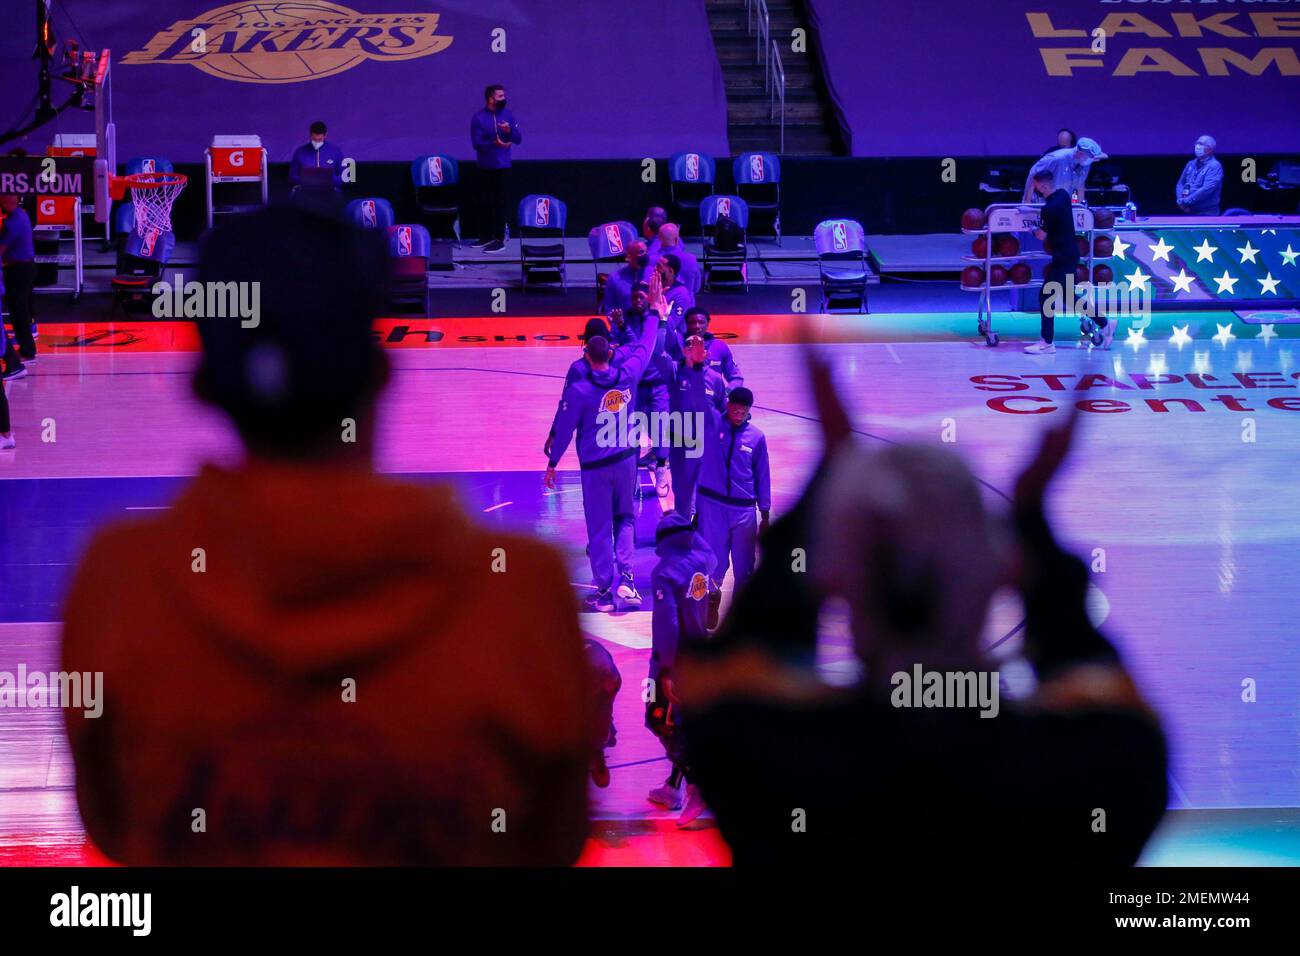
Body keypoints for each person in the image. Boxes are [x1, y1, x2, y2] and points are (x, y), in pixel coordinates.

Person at [62, 204, 595, 865]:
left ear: (206, 386)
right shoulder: (522, 590)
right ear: (381, 374)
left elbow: (111, 824)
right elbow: (554, 839)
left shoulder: (118, 583)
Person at [677, 347, 1168, 866]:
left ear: (834, 580)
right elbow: (1113, 703)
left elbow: (724, 677)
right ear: (1004, 573)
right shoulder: (1093, 774)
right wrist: (1033, 525)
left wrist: (826, 482)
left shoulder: (768, 764)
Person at [546, 291, 663, 610]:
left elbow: (565, 429)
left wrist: (553, 462)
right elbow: (645, 346)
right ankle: (626, 581)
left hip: (595, 468)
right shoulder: (628, 374)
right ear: (611, 352)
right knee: (625, 518)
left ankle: (603, 592)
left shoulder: (579, 389)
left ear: (586, 355)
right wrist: (654, 312)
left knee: (599, 528)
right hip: (626, 461)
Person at [646, 511, 716, 823]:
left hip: (674, 662)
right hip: (701, 656)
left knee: (660, 721)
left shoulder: (664, 573)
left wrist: (665, 671)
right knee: (685, 723)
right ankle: (673, 788)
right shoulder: (705, 559)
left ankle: (697, 788)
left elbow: (668, 626)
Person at [696, 386, 770, 630]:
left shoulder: (757, 438)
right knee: (713, 562)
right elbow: (698, 398)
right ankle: (712, 598)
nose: (738, 410)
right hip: (713, 506)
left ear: (749, 409)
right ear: (727, 404)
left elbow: (762, 475)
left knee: (744, 566)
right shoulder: (711, 426)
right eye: (735, 405)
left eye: (744, 407)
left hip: (743, 511)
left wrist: (765, 512)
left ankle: (739, 616)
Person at [1023, 169, 1110, 354]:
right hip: (1070, 253)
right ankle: (1105, 322)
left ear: (1043, 186)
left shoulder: (1049, 208)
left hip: (1063, 256)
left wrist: (1031, 228)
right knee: (1068, 296)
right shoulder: (1062, 195)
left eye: (1036, 185)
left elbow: (1041, 235)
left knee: (1046, 295)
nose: (1035, 188)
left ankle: (1047, 343)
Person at [609, 280, 677, 497]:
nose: (638, 301)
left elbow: (670, 346)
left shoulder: (660, 318)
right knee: (632, 432)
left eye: (642, 297)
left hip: (658, 385)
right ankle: (632, 477)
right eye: (634, 297)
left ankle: (661, 469)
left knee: (660, 430)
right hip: (633, 386)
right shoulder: (622, 319)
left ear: (649, 298)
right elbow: (615, 347)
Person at [544, 317, 619, 462]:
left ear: (586, 341)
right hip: (622, 443)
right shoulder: (624, 364)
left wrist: (554, 432)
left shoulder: (578, 369)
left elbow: (565, 409)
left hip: (591, 443)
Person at [667, 334, 726, 517]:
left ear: (706, 353)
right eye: (689, 346)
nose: (693, 349)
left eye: (698, 346)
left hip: (705, 445)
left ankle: (703, 533)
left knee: (705, 495)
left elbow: (722, 409)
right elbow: (659, 354)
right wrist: (661, 320)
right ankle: (683, 533)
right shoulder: (674, 372)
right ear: (683, 351)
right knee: (682, 495)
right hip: (680, 444)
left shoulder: (715, 379)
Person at [469, 84, 522, 253]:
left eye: (503, 96)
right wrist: (493, 143)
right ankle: (485, 237)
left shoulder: (508, 115)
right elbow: (477, 144)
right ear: (490, 99)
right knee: (485, 202)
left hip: (503, 167)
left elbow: (518, 138)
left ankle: (499, 240)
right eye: (499, 96)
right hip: (485, 167)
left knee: (501, 203)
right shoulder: (478, 118)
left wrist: (509, 131)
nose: (503, 99)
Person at [0, 194, 37, 369]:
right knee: (25, 309)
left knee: (18, 312)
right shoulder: (23, 214)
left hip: (18, 270)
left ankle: (27, 351)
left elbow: (1, 248)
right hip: (28, 267)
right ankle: (29, 345)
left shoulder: (11, 223)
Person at [1022, 136, 1106, 204]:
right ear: (1080, 153)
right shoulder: (1056, 159)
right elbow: (1033, 176)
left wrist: (1078, 206)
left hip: (1062, 205)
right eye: (1091, 158)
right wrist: (1026, 203)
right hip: (1041, 203)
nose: (1093, 160)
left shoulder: (1085, 163)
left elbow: (1078, 187)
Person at [684, 308, 743, 391]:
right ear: (686, 324)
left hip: (713, 400)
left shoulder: (719, 347)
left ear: (707, 324)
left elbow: (736, 378)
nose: (697, 326)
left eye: (701, 322)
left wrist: (726, 393)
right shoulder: (677, 344)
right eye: (692, 322)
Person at [287, 121, 344, 189]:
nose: (317, 142)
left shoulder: (335, 151)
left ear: (325, 135)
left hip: (330, 190)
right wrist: (307, 180)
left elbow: (343, 177)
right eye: (314, 139)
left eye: (320, 139)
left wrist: (329, 180)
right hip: (306, 191)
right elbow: (292, 176)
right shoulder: (300, 152)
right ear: (311, 135)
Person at [1176, 135, 1223, 216]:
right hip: (1188, 210)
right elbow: (1180, 184)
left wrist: (1185, 201)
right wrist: (1180, 201)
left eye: (1201, 144)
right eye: (1197, 143)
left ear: (1210, 149)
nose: (1197, 146)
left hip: (1207, 213)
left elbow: (1206, 189)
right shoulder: (1191, 163)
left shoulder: (1214, 166)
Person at [602, 240, 651, 315]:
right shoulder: (614, 278)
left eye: (646, 252)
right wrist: (620, 324)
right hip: (623, 324)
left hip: (649, 324)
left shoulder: (654, 275)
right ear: (629, 257)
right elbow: (609, 309)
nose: (645, 256)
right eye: (641, 252)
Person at [654, 223, 700, 294]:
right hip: (687, 303)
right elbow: (696, 288)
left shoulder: (653, 260)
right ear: (677, 240)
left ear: (659, 239)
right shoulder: (691, 259)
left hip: (662, 303)